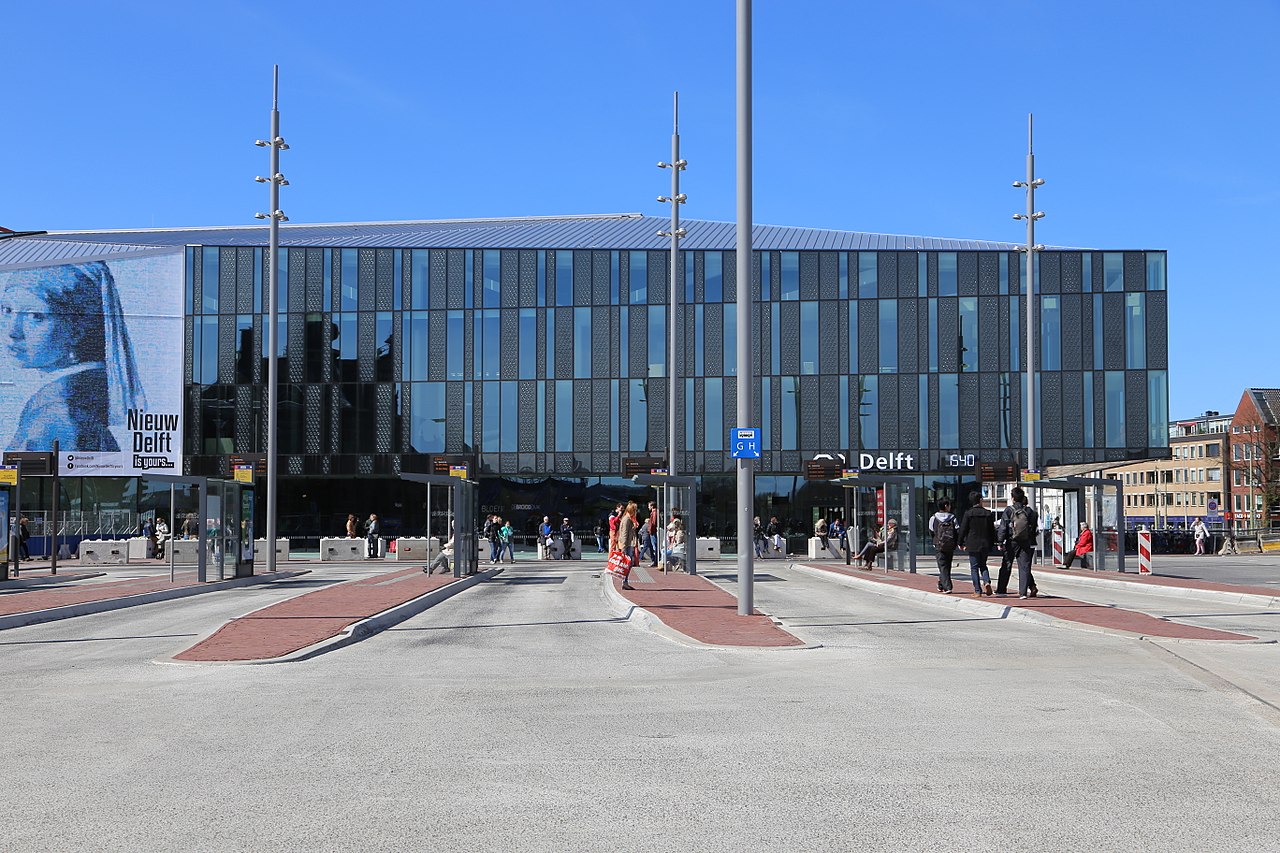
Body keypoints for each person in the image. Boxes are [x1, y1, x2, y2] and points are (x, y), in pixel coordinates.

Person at [0, 261, 145, 452]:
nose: (13, 331)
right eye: (7, 310)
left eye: (35, 316)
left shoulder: (57, 412)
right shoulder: (77, 397)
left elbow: (22, 480)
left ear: (77, 329)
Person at [1000, 486, 1039, 599]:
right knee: (1024, 566)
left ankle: (1001, 589)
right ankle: (1023, 592)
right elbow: (1033, 527)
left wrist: (1000, 541)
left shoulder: (1009, 510)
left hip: (1012, 541)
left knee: (1007, 564)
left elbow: (1003, 527)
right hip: (1025, 541)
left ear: (1013, 498)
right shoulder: (1029, 511)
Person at [957, 491, 995, 597]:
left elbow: (963, 529)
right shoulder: (988, 514)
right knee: (983, 565)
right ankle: (987, 582)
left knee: (974, 567)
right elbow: (992, 531)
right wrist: (992, 543)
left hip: (972, 543)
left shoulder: (969, 513)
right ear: (980, 500)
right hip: (985, 543)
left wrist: (960, 542)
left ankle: (978, 590)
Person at [928, 499, 958, 593]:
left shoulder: (934, 518)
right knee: (947, 565)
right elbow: (957, 531)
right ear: (946, 506)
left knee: (942, 565)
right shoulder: (953, 518)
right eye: (949, 505)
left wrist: (935, 540)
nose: (950, 507)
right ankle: (941, 584)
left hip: (939, 545)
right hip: (950, 545)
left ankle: (947, 587)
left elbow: (931, 531)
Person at [616, 502, 640, 587]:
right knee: (627, 564)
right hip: (627, 544)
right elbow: (624, 534)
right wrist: (623, 547)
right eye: (635, 510)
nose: (636, 512)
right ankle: (624, 581)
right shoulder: (627, 519)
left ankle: (625, 581)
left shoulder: (629, 518)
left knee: (628, 563)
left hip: (628, 543)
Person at [643, 501, 660, 567]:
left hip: (652, 531)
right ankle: (655, 560)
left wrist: (650, 529)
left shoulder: (654, 512)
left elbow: (653, 522)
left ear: (652, 506)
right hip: (652, 531)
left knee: (654, 546)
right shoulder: (653, 513)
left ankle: (656, 560)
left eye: (649, 506)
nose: (648, 507)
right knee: (653, 546)